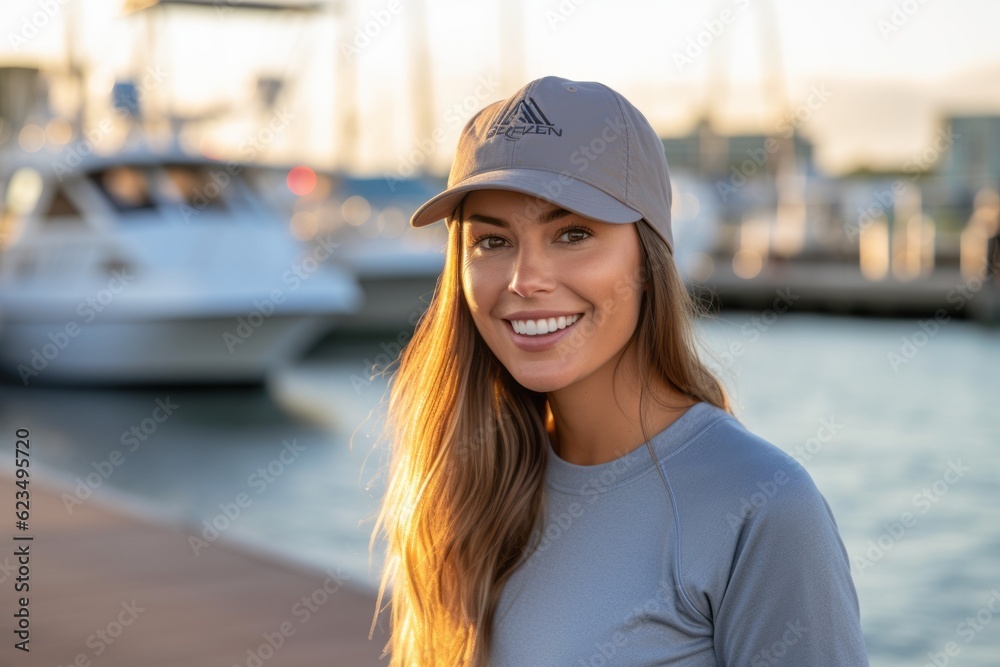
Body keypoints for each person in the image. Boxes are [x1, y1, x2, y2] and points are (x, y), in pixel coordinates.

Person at [369, 76, 868, 666]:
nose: (525, 279)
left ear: (648, 255)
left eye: (573, 234)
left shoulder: (763, 507)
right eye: (491, 242)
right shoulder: (466, 485)